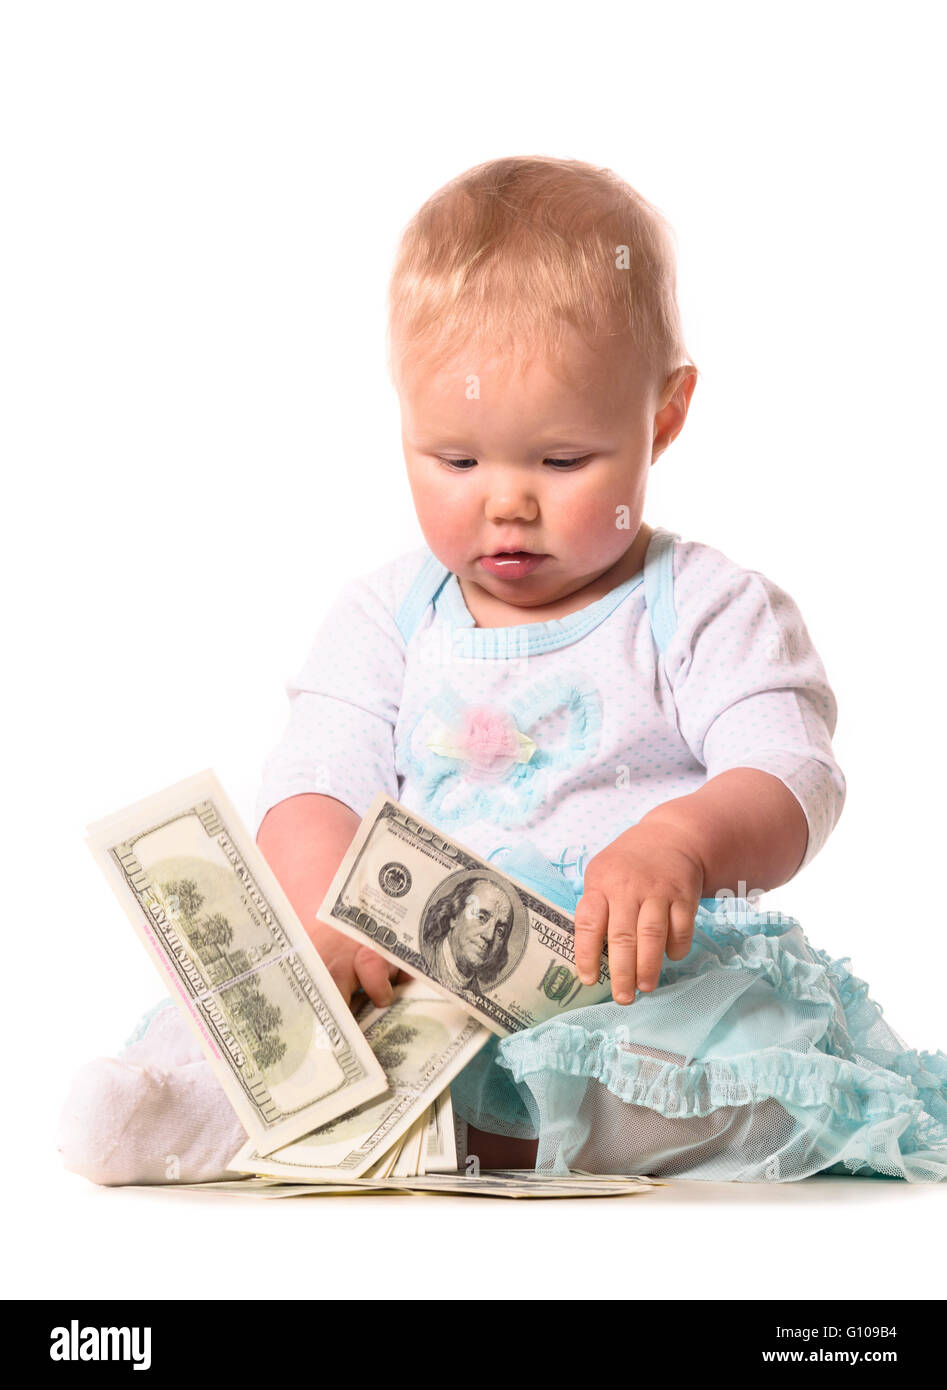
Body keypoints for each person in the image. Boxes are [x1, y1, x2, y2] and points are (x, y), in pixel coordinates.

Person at [59, 155, 947, 1185]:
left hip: (619, 972)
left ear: (661, 415)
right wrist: (321, 909)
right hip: (408, 974)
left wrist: (682, 843)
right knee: (261, 1015)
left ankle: (550, 1128)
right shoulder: (385, 617)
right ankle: (185, 1116)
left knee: (716, 1054)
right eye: (455, 460)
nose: (506, 503)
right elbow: (313, 781)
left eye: (562, 462)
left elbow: (790, 768)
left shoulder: (700, 604)